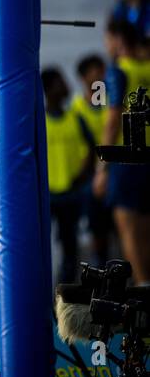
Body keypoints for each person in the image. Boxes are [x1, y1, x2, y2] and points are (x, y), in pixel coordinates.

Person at [95, 20, 150, 282]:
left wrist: (102, 167)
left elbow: (113, 118)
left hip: (127, 158)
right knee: (146, 228)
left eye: (107, 39)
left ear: (117, 39)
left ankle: (142, 290)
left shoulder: (118, 71)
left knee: (128, 227)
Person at [42, 68, 96, 284]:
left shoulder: (75, 118)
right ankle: (42, 292)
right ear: (48, 89)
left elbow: (92, 149)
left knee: (69, 247)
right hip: (45, 196)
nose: (66, 86)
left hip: (69, 195)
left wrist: (83, 175)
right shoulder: (37, 121)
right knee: (40, 247)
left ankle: (62, 294)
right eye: (60, 82)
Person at [72, 54, 112, 264]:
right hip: (89, 177)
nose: (99, 76)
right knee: (97, 229)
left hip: (114, 169)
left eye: (102, 71)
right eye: (93, 72)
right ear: (83, 78)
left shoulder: (114, 104)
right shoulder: (76, 108)